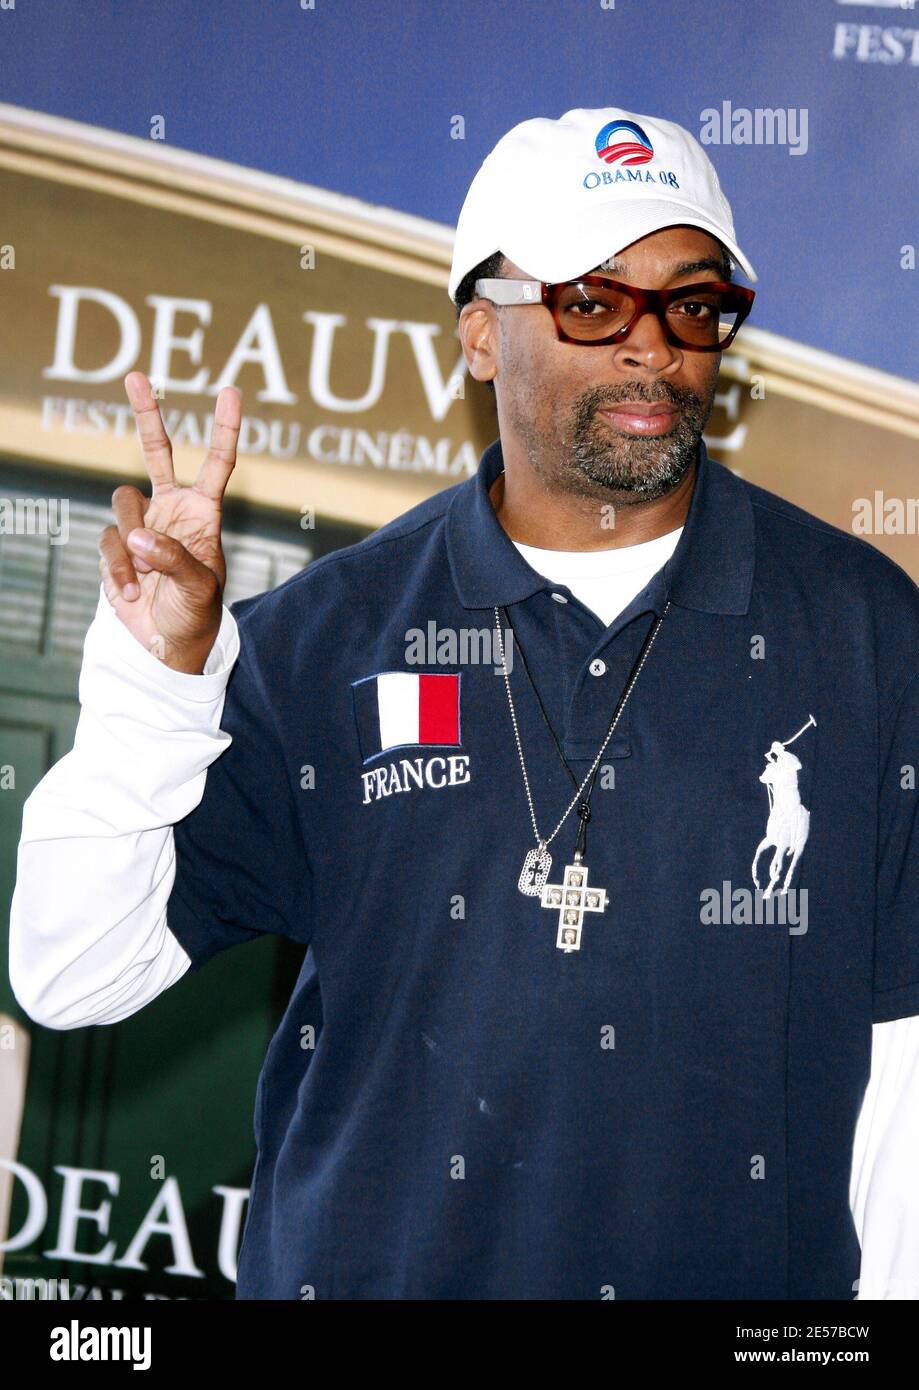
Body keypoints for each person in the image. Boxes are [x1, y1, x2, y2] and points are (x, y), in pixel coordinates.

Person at [9, 106, 919, 1300]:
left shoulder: (860, 629)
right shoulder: (328, 636)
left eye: (692, 304)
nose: (654, 349)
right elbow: (69, 972)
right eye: (593, 301)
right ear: (483, 335)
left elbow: (903, 1064)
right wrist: (156, 679)